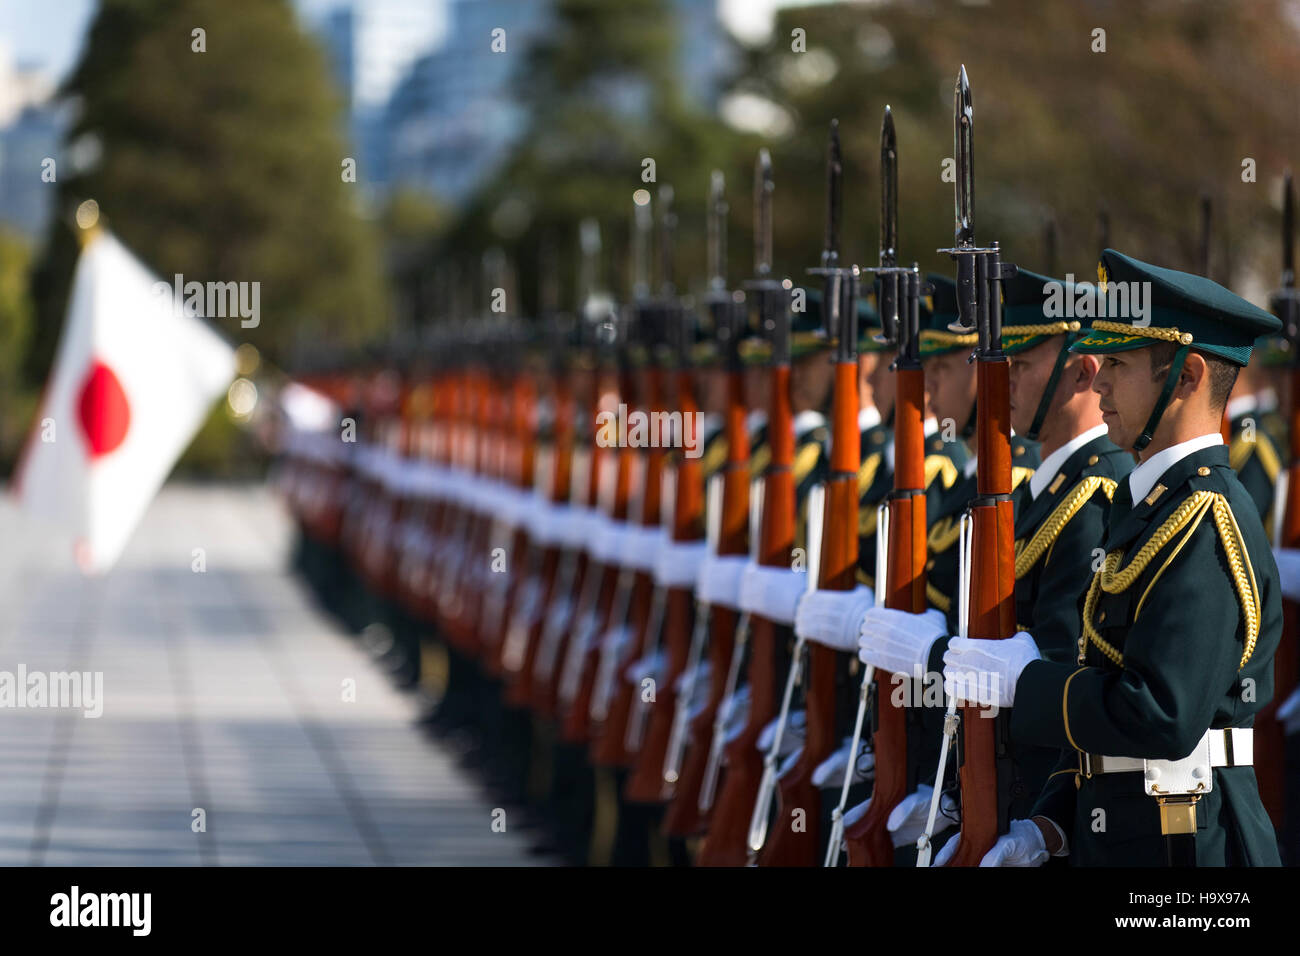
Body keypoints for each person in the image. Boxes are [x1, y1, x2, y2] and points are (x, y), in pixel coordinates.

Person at [942, 249, 1284, 866]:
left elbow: (1161, 715)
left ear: (1187, 376)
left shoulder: (1203, 517)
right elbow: (1104, 728)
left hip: (1186, 850)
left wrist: (1027, 682)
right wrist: (1049, 825)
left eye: (1119, 364)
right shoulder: (1153, 507)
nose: (1098, 380)